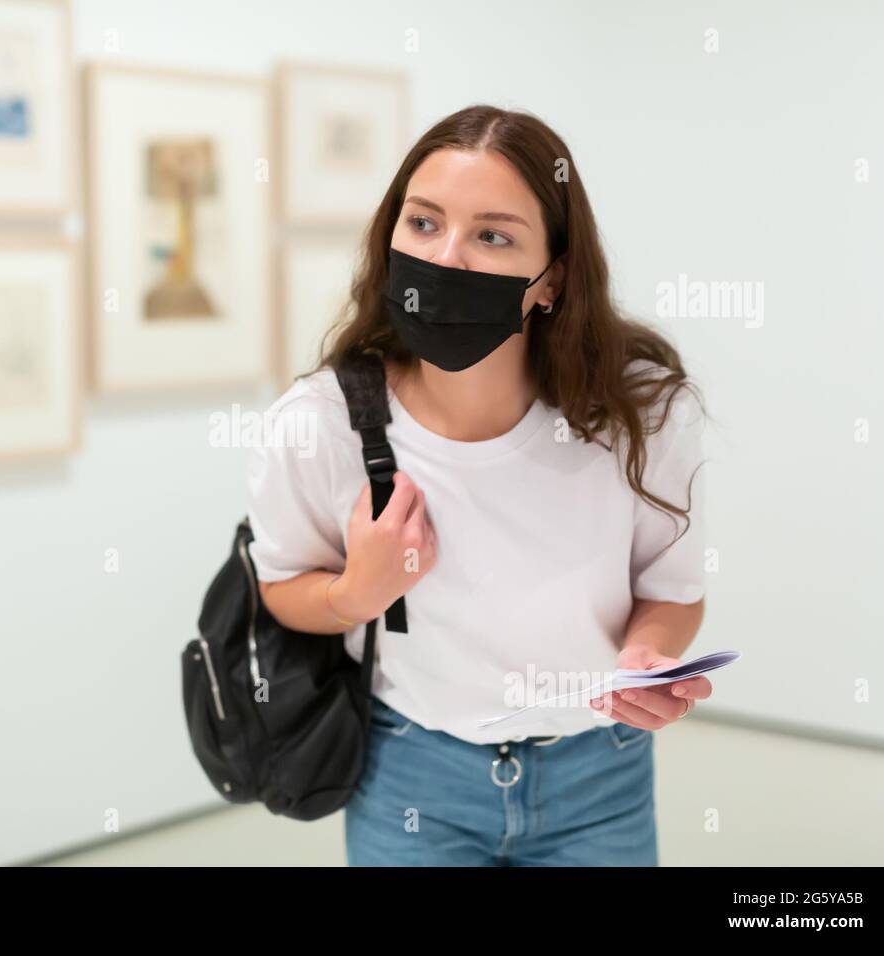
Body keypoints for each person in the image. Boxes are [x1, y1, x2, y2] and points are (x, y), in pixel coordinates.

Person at [245, 105, 715, 866]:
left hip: (601, 774)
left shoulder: (643, 412)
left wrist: (649, 659)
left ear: (552, 279)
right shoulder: (318, 423)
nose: (448, 258)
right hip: (410, 775)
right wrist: (353, 594)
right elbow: (281, 584)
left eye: (492, 235)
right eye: (424, 224)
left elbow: (673, 592)